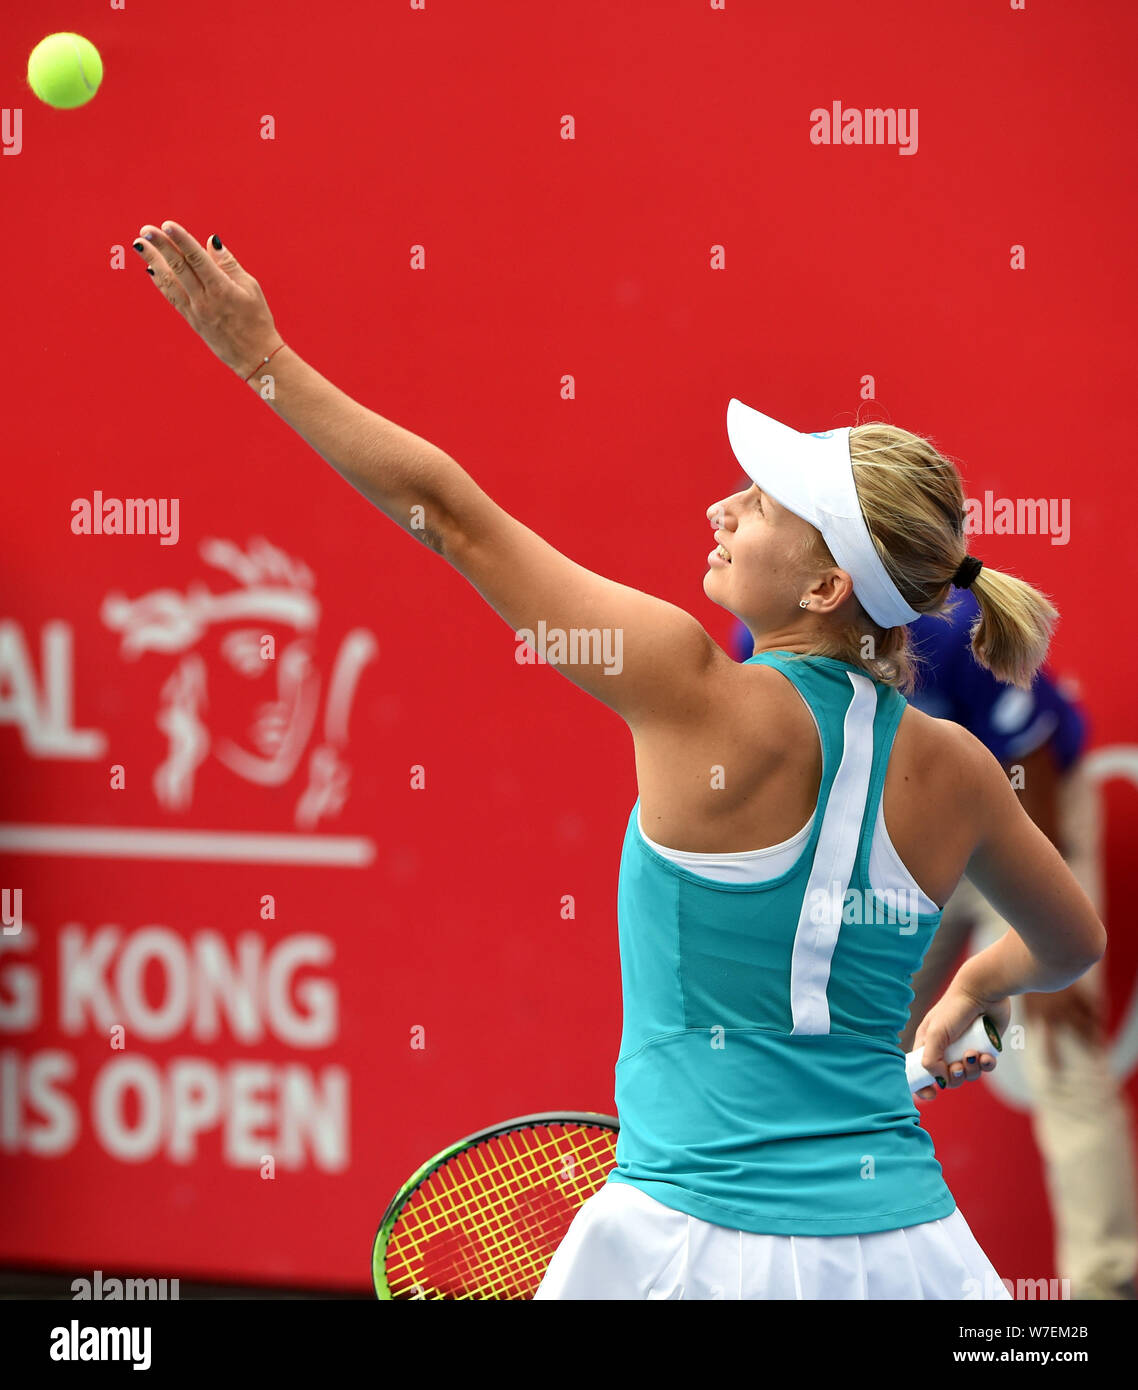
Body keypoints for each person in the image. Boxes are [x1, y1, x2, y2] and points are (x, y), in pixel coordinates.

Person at [133, 221, 1105, 1300]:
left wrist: (262, 360)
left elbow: (456, 521)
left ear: (826, 590)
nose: (720, 511)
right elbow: (1070, 942)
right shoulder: (963, 769)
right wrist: (969, 987)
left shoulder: (690, 690)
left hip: (686, 1250)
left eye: (762, 507)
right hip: (912, 1258)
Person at [901, 595, 1138, 1301]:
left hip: (1028, 820)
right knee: (855, 1037)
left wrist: (1052, 944)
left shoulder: (949, 625)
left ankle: (1106, 1285)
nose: (722, 516)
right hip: (916, 840)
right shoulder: (765, 632)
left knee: (1060, 1043)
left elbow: (1028, 757)